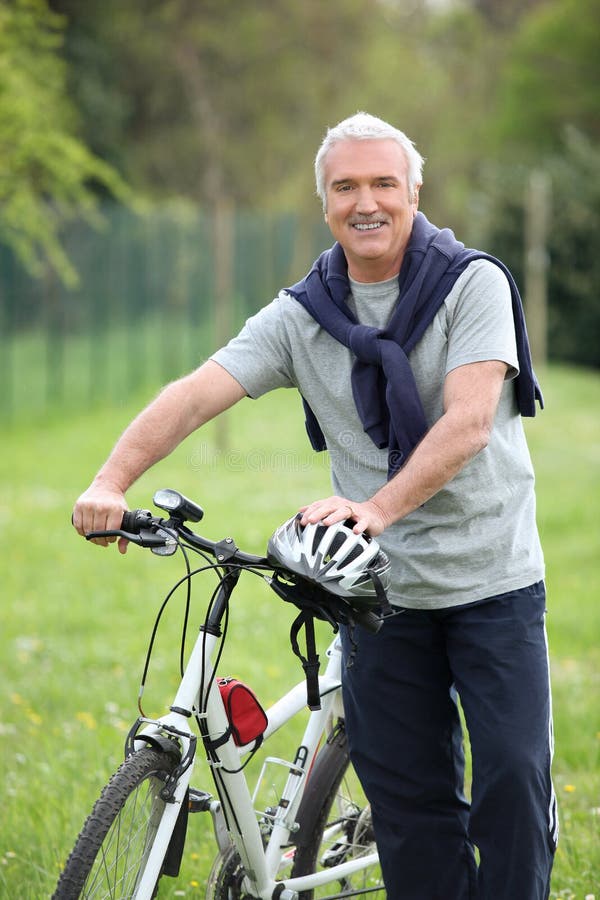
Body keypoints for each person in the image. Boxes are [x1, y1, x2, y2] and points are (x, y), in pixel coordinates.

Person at [73, 112, 557, 898]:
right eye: (346, 187)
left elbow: (468, 423)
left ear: (413, 191)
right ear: (325, 202)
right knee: (410, 811)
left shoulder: (475, 284)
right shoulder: (305, 313)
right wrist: (109, 480)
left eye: (382, 183)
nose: (366, 202)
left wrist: (376, 510)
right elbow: (198, 394)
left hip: (491, 584)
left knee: (512, 784)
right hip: (379, 601)